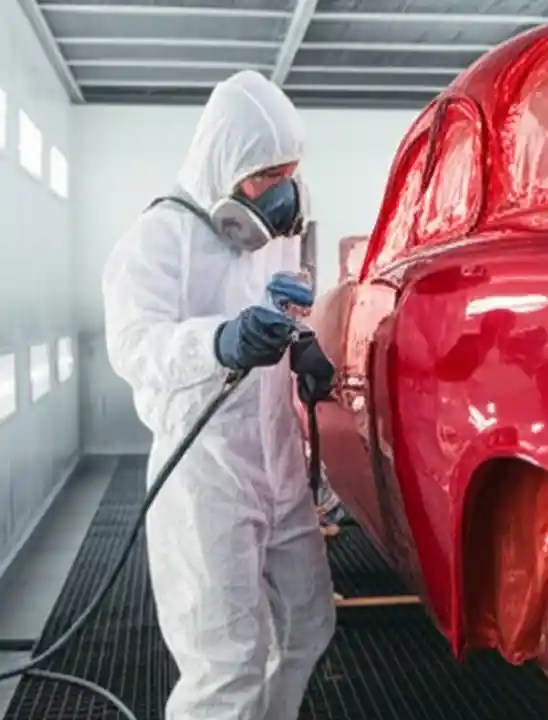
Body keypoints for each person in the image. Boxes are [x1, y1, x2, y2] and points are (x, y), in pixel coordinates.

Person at [102, 70, 336, 720]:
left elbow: (285, 308)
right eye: (268, 176)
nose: (284, 192)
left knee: (307, 626)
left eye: (290, 173)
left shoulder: (274, 237)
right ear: (225, 166)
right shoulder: (158, 239)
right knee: (226, 665)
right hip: (205, 477)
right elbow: (133, 346)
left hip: (278, 465)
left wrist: (303, 345)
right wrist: (218, 342)